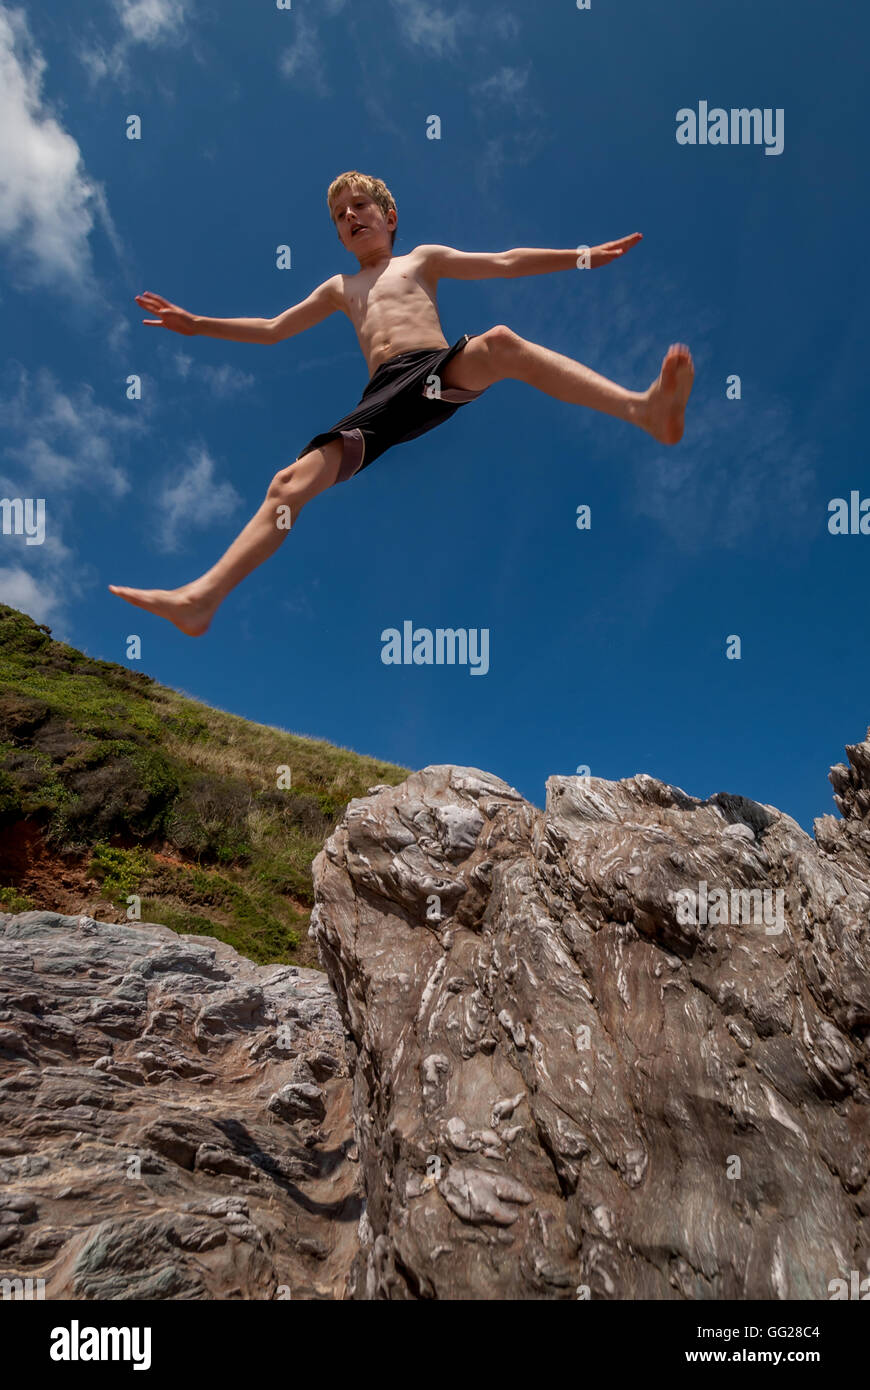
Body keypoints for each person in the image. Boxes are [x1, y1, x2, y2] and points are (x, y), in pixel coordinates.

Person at [109, 171, 693, 636]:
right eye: (340, 217)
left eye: (359, 206)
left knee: (500, 343)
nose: (350, 217)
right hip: (381, 401)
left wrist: (581, 255)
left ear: (388, 217)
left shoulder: (421, 260)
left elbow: (506, 261)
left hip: (435, 373)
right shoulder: (340, 288)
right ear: (340, 238)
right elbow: (271, 329)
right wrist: (197, 324)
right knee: (287, 485)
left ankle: (642, 410)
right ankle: (202, 599)